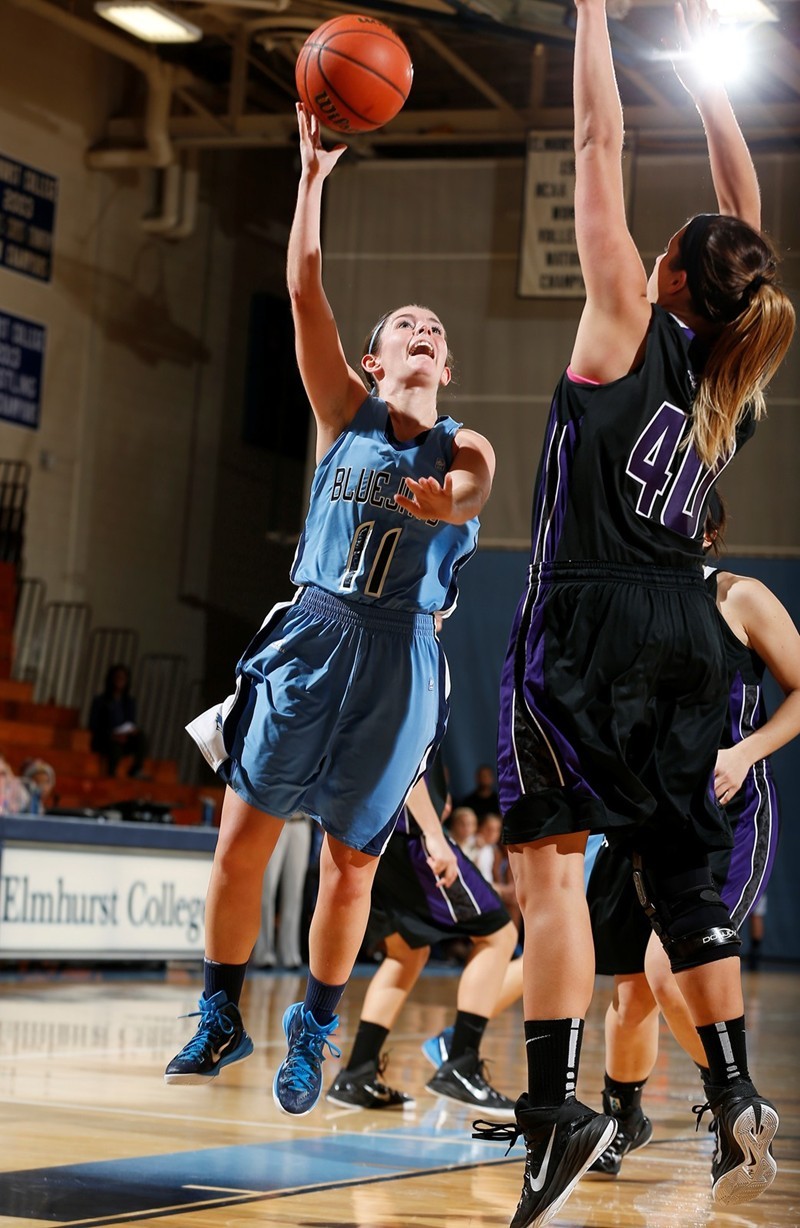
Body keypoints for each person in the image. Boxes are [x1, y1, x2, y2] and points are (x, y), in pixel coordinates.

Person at [481, 1, 796, 1224]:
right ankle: (730, 1095)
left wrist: (593, 12)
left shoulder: (620, 319)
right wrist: (712, 78)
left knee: (548, 870)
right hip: (683, 627)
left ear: (667, 273)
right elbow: (742, 220)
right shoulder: (732, 371)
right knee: (677, 876)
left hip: (585, 619)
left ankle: (557, 1105)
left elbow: (595, 144)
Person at [164, 101, 495, 1118]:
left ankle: (312, 1030)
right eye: (405, 328)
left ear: (444, 367)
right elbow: (303, 285)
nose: (424, 332)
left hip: (399, 661)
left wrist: (448, 501)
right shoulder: (342, 416)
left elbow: (475, 488)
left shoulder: (464, 446)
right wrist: (311, 173)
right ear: (373, 360)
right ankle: (221, 1011)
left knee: (350, 871)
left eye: (435, 332)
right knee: (241, 845)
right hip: (312, 632)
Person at [587, 491, 800, 1179]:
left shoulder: (740, 598)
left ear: (706, 535)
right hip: (641, 815)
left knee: (662, 963)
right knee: (629, 992)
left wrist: (743, 753)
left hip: (726, 820)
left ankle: (733, 1107)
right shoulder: (627, 607)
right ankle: (623, 1115)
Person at [327, 767, 519, 1115]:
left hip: (361, 830)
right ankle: (460, 1063)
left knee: (406, 953)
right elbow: (410, 755)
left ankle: (356, 1073)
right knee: (499, 934)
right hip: (409, 834)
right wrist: (433, 829)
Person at [251, 813, 313, 970]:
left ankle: (290, 954)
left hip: (302, 822)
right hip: (275, 818)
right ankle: (263, 953)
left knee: (295, 893)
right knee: (267, 890)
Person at [88, 663, 148, 779]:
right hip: (106, 739)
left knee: (141, 737)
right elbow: (94, 725)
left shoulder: (129, 702)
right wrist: (112, 735)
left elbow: (131, 722)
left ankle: (136, 769)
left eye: (123, 678)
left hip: (125, 738)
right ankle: (111, 776)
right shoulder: (100, 701)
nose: (120, 681)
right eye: (117, 678)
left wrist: (130, 732)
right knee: (115, 747)